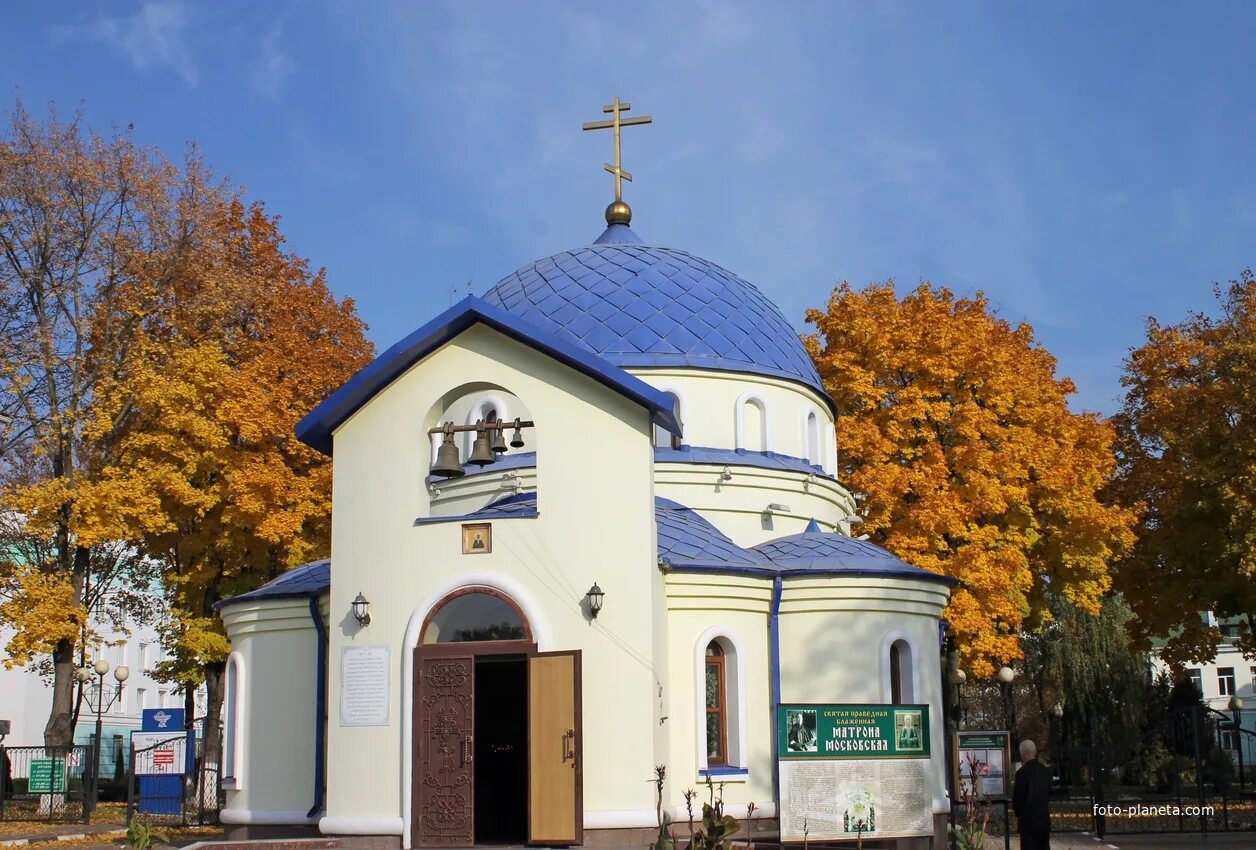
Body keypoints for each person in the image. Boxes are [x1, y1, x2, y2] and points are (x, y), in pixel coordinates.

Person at [1012, 738, 1052, 850]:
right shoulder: (1045, 771)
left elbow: (1018, 800)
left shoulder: (1021, 773)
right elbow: (1049, 793)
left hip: (1028, 823)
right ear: (1035, 751)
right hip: (1043, 821)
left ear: (1022, 754)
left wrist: (1019, 813)